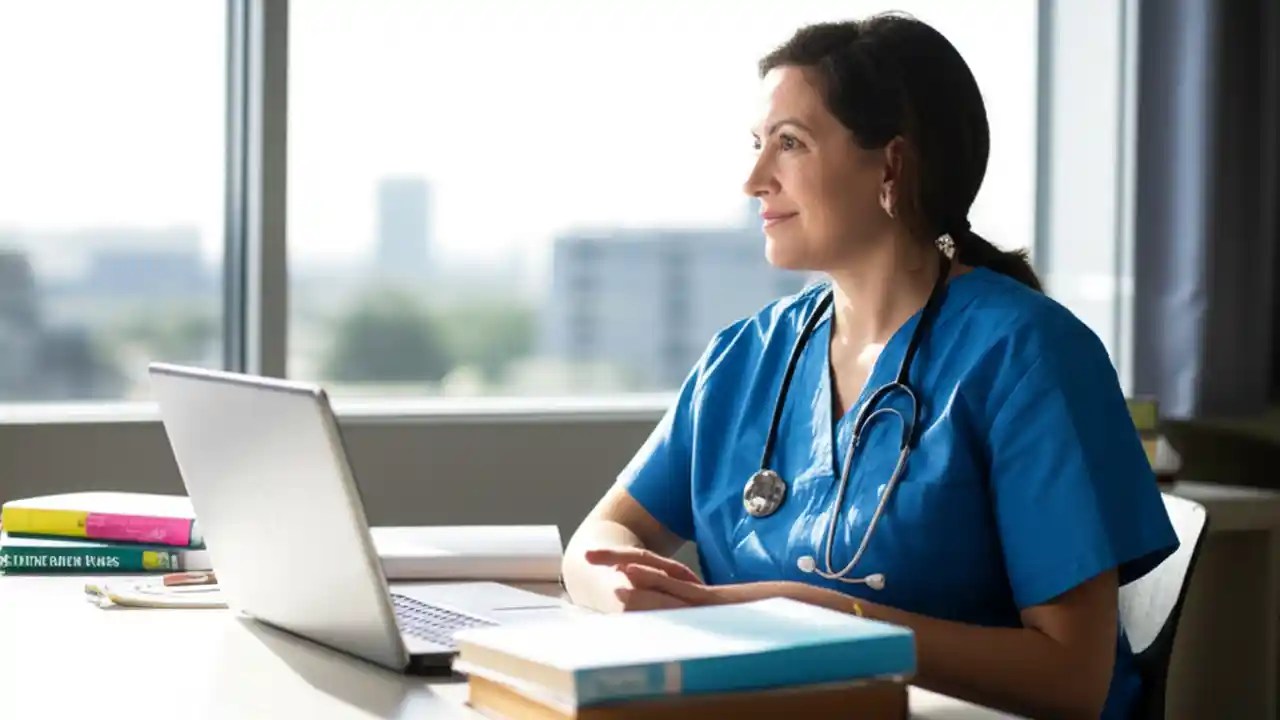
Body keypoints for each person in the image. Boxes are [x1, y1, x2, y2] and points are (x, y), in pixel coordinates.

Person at [560, 12, 1179, 720]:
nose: (753, 180)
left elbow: (1071, 680)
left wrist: (818, 620)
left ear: (889, 165)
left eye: (788, 145)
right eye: (758, 144)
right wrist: (624, 587)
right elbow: (599, 539)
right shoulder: (747, 355)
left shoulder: (1029, 357)